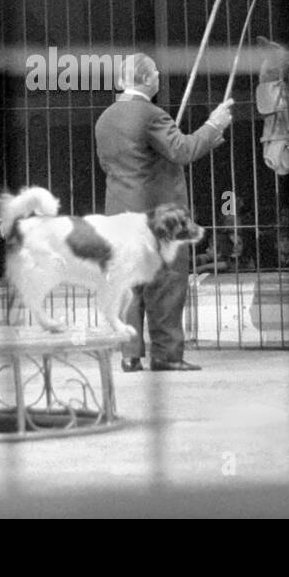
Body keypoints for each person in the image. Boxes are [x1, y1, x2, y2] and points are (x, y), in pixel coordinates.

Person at [94, 52, 232, 372]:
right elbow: (182, 150)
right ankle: (166, 354)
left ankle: (129, 355)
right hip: (156, 217)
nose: (158, 77)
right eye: (155, 73)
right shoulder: (151, 115)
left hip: (119, 215)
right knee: (166, 283)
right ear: (146, 80)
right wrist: (214, 124)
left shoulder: (105, 119)